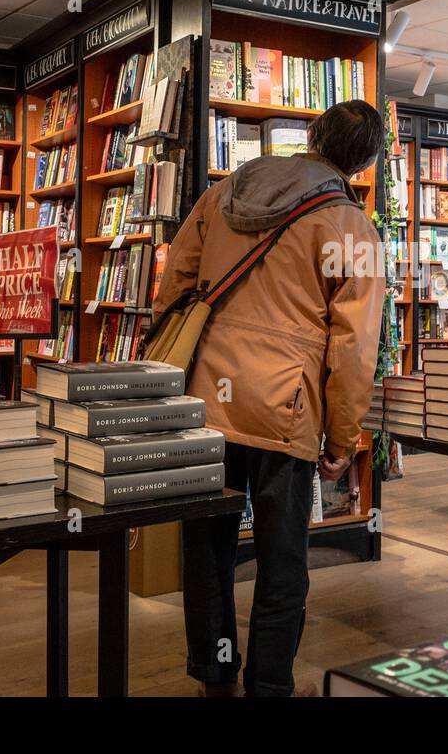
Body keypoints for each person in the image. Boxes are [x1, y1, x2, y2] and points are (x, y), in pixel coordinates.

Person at [152, 99, 386, 697]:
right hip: (286, 408)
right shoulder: (351, 226)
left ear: (311, 136)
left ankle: (214, 678)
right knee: (283, 563)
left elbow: (174, 286)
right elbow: (354, 347)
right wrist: (342, 436)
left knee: (207, 552)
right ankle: (270, 688)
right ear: (365, 165)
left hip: (206, 400)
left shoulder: (225, 193)